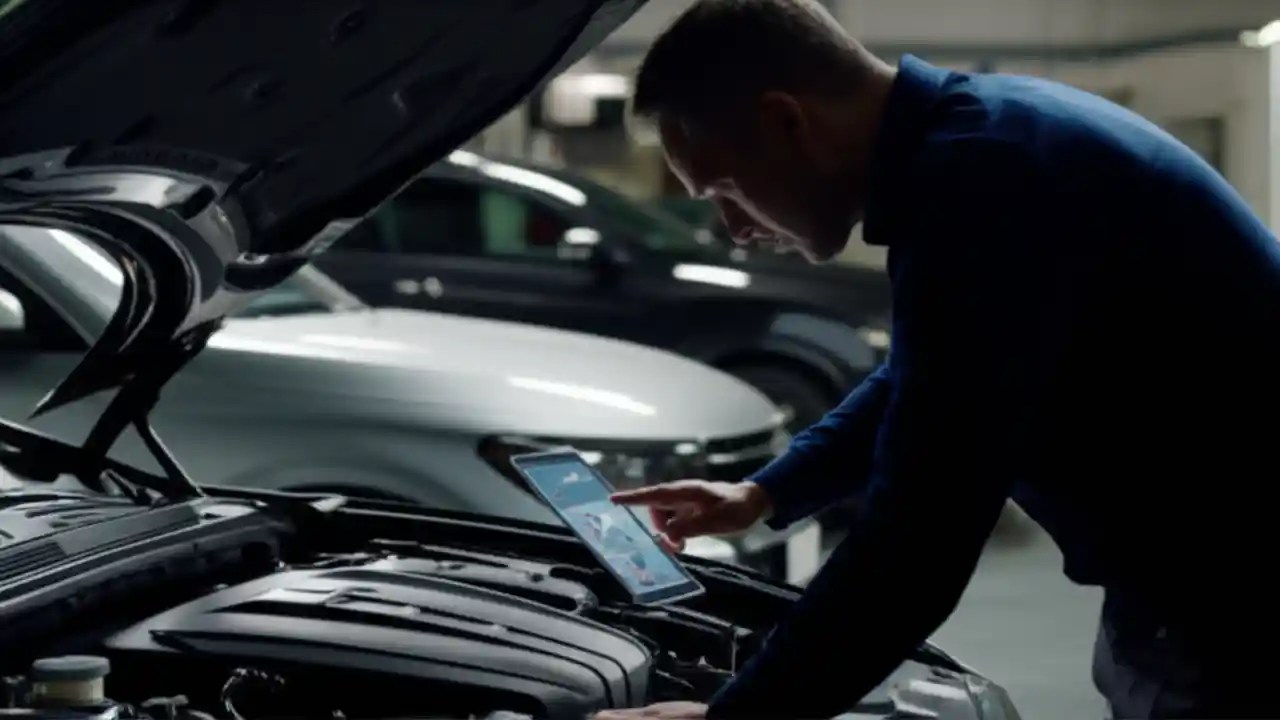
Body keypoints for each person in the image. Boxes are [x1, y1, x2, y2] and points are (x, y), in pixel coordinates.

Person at [592, 1, 1280, 719]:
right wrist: (765, 494)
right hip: (1197, 587)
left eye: (725, 187)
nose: (733, 229)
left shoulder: (984, 182)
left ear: (786, 122)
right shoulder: (986, 133)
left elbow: (919, 537)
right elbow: (935, 377)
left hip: (1241, 605)